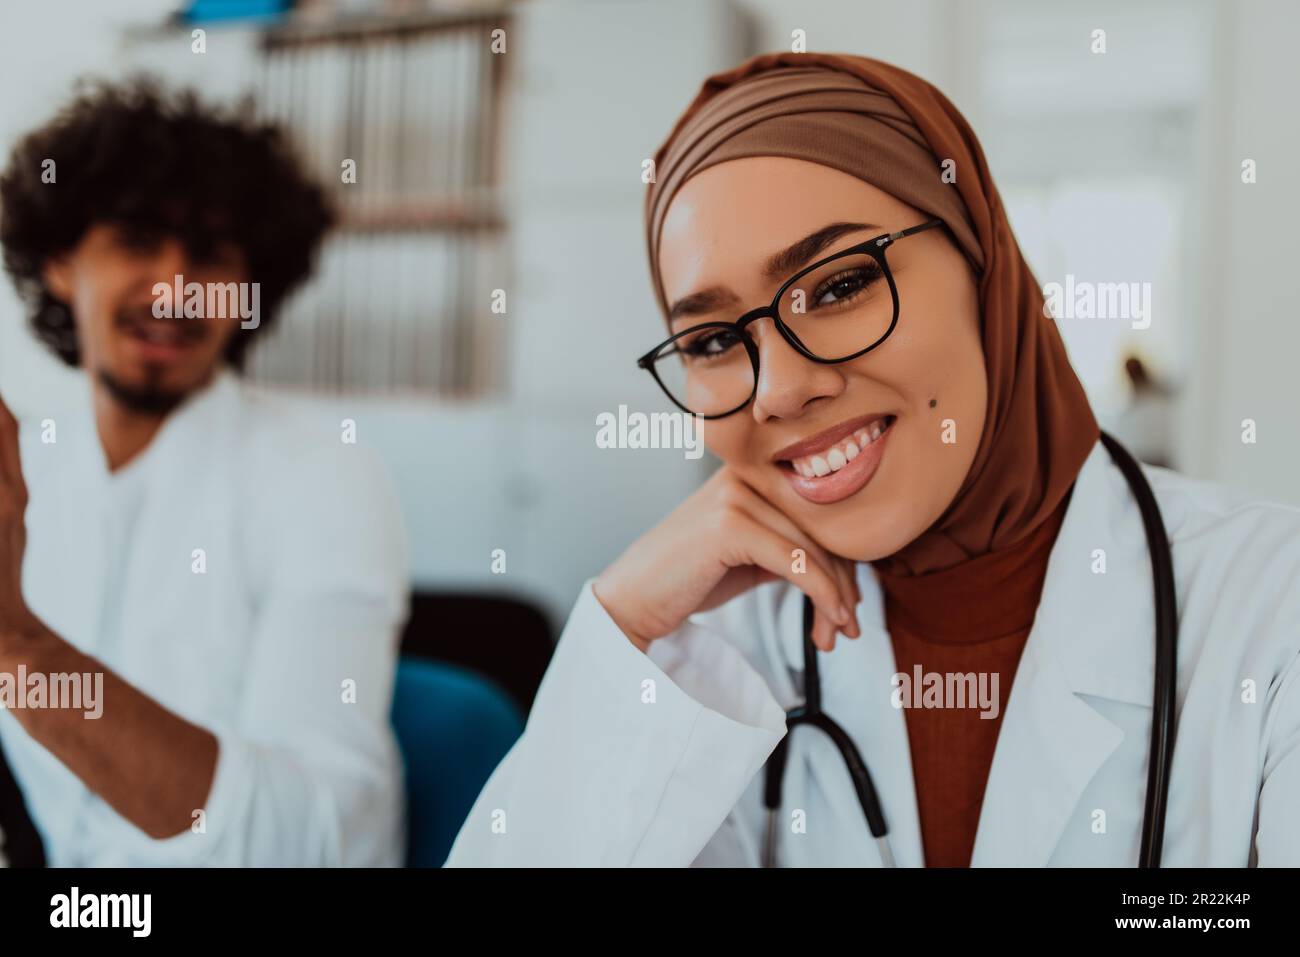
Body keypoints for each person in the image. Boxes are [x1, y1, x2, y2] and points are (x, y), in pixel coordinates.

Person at [446, 52, 1300, 867]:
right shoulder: (711, 653)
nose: (776, 390)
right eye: (710, 339)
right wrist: (620, 621)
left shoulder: (1268, 608)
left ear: (981, 261)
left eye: (840, 285)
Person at [0, 79, 407, 866]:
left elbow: (305, 842)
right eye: (138, 241)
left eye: (211, 256)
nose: (176, 288)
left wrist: (17, 645)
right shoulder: (33, 456)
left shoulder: (325, 478)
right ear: (59, 264)